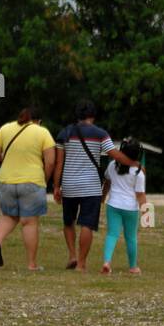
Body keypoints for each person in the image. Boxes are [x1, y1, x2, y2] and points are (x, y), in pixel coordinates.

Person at [53, 100, 139, 271]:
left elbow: (59, 163)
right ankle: (82, 264)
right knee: (87, 224)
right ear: (93, 115)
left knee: (68, 222)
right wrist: (134, 164)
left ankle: (72, 256)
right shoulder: (100, 133)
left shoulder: (65, 133)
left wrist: (56, 186)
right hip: (90, 186)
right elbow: (115, 154)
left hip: (69, 184)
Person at [0, 107, 56, 271]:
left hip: (6, 181)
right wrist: (44, 179)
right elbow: (51, 161)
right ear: (37, 120)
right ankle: (31, 264)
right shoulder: (42, 132)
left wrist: (4, 158)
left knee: (8, 216)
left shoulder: (5, 128)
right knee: (29, 222)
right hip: (32, 180)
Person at [100, 137, 147, 276]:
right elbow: (140, 195)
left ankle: (107, 262)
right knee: (131, 237)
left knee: (112, 234)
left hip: (113, 205)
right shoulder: (138, 172)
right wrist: (146, 212)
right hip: (130, 208)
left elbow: (107, 183)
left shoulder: (112, 165)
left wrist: (102, 198)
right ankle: (133, 266)